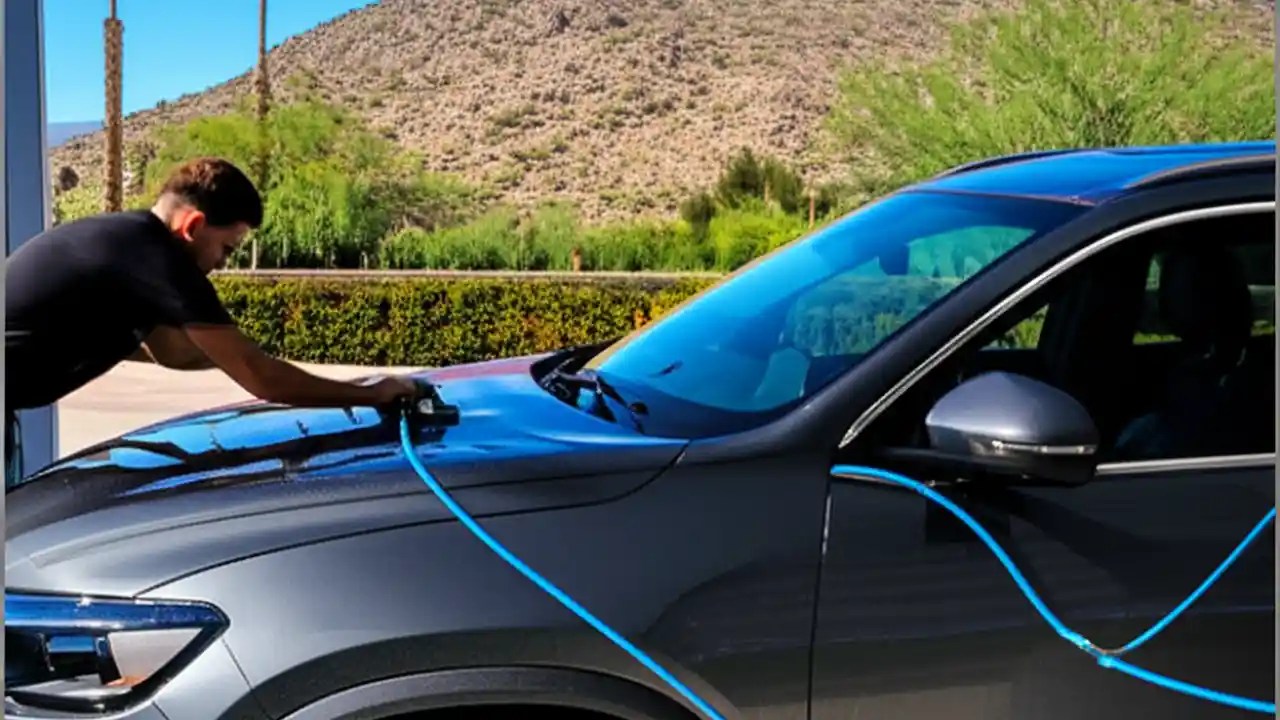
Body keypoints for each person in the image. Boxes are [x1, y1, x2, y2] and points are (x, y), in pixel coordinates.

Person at [5, 157, 418, 487]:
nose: (222, 263)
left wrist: (239, 354)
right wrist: (372, 393)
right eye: (227, 247)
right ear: (193, 226)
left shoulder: (127, 246)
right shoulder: (158, 258)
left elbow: (171, 353)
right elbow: (262, 379)